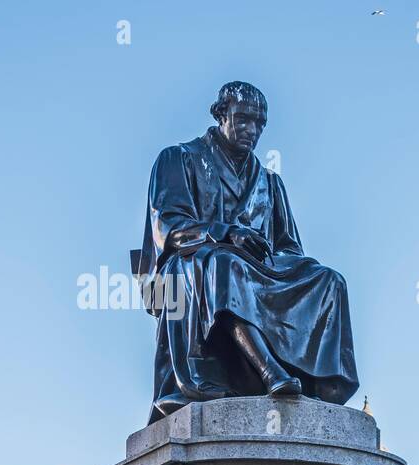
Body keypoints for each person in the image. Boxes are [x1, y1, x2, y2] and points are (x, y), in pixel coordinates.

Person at [140, 81, 359, 423]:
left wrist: (291, 264)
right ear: (219, 115)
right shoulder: (178, 158)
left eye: (259, 123)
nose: (251, 130)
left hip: (258, 272)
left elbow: (287, 246)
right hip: (194, 270)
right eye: (242, 119)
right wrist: (225, 234)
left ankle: (326, 387)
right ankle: (270, 373)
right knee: (226, 264)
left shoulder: (270, 183)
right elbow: (168, 228)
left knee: (330, 280)